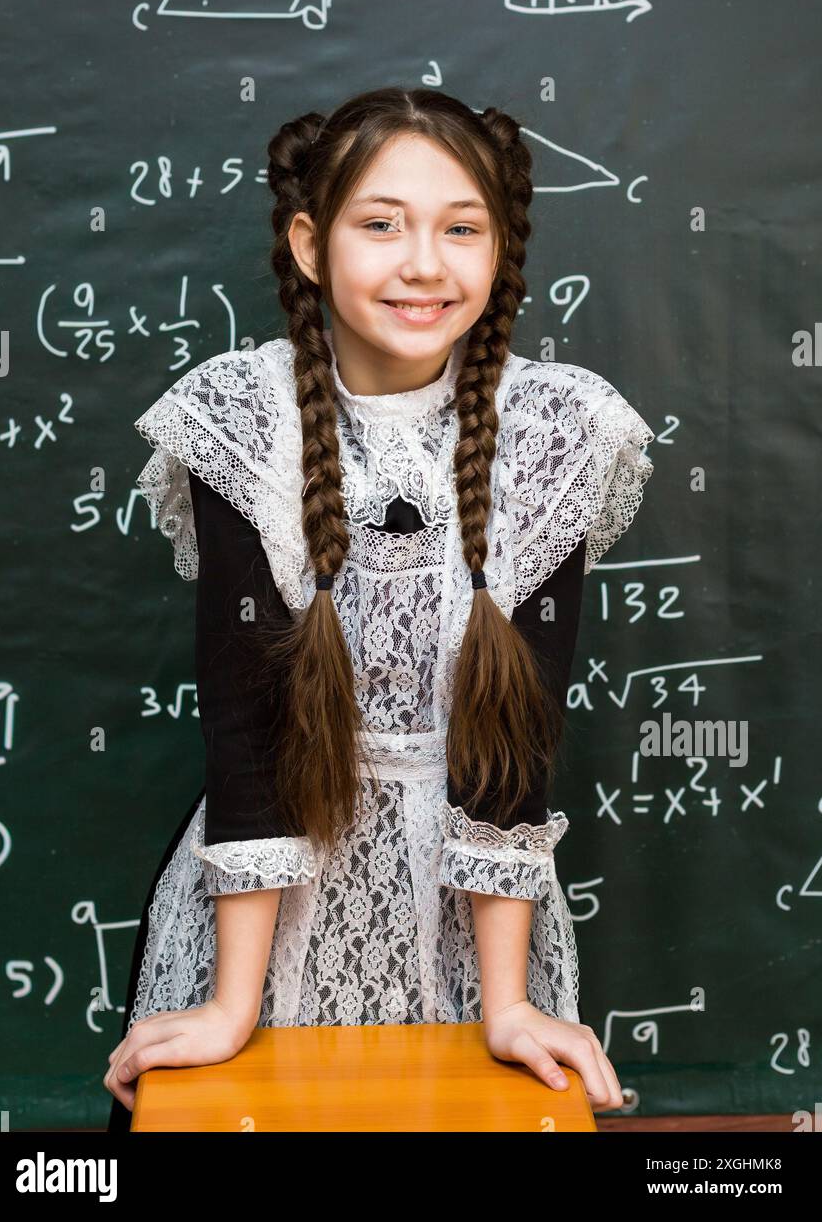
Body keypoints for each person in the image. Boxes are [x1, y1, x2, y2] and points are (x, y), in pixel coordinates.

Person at [105, 86, 655, 1128]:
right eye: (379, 223)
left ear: (500, 249)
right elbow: (249, 726)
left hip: (469, 913)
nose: (422, 263)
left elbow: (513, 735)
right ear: (309, 244)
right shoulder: (243, 418)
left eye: (461, 228)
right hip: (259, 911)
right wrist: (230, 1005)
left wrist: (504, 1004)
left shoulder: (551, 428)